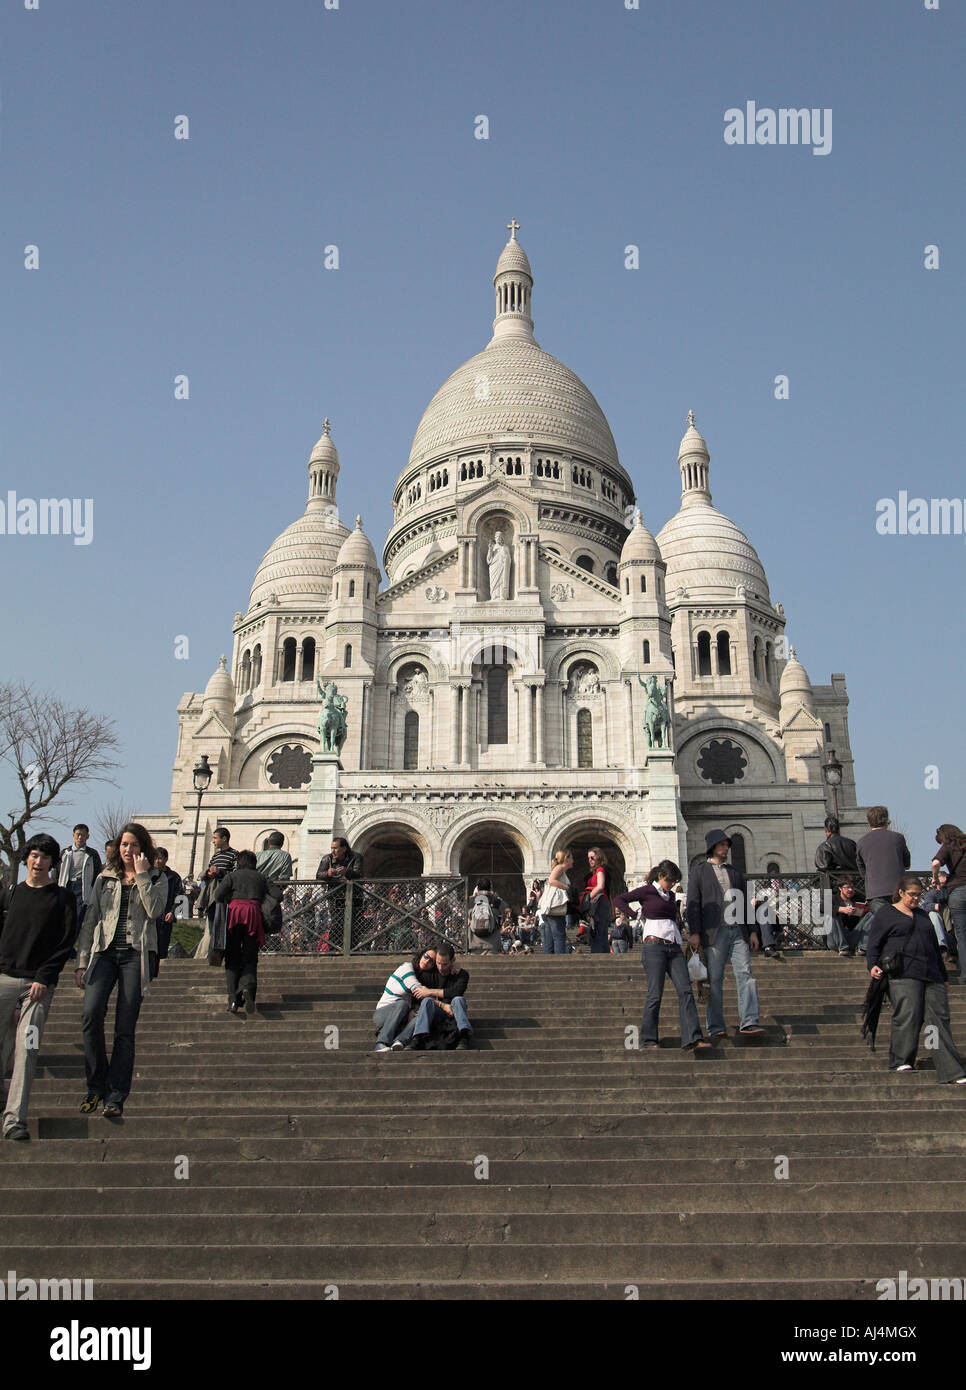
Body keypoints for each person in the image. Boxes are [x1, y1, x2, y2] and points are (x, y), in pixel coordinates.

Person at [76, 822, 167, 1119]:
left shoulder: (156, 877)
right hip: (103, 953)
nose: (129, 850)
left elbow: (154, 911)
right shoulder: (104, 877)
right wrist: (81, 960)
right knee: (90, 1015)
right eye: (124, 845)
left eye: (134, 845)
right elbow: (91, 919)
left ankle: (116, 1095)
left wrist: (141, 875)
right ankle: (95, 1085)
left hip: (135, 955)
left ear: (144, 848)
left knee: (124, 1030)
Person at [0, 833, 77, 1141]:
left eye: (44, 857)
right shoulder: (12, 893)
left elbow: (64, 942)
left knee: (27, 1050)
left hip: (38, 985)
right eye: (33, 855)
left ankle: (14, 1120)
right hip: (4, 978)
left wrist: (44, 977)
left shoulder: (62, 898)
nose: (37, 861)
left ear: (52, 863)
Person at [868, 873, 966, 1083]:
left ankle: (948, 1068)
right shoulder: (886, 914)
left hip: (931, 974)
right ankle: (901, 1059)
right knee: (908, 1015)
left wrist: (944, 975)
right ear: (900, 893)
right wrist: (873, 965)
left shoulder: (923, 916)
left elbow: (933, 947)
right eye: (911, 895)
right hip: (903, 973)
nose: (915, 899)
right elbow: (874, 943)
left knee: (937, 1021)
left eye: (918, 895)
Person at [686, 830, 763, 1038]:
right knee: (715, 978)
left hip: (738, 930)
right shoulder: (699, 871)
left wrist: (753, 931)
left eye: (727, 844)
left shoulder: (736, 872)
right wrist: (695, 932)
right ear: (712, 847)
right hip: (714, 932)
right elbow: (693, 904)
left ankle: (749, 1021)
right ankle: (715, 1026)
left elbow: (745, 903)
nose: (726, 848)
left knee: (745, 974)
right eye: (722, 845)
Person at [213, 850, 274, 1015]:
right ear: (254, 863)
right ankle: (247, 988)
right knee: (250, 957)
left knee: (232, 957)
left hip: (234, 915)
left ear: (239, 862)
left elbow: (217, 894)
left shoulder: (232, 876)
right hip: (253, 915)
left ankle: (233, 1000)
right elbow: (278, 895)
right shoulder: (261, 877)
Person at [398, 943, 472, 1050]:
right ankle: (418, 1038)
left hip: (454, 1011)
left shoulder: (461, 974)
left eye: (445, 964)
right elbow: (419, 993)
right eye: (438, 963)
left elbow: (456, 992)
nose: (441, 967)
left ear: (452, 961)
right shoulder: (429, 974)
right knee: (427, 1001)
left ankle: (464, 1035)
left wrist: (429, 991)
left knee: (458, 1000)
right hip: (437, 1012)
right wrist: (441, 1004)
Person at [856, 807, 911, 950]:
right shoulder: (898, 838)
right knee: (900, 922)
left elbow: (862, 870)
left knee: (883, 921)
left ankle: (868, 947)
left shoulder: (861, 842)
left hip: (875, 891)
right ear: (886, 819)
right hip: (898, 889)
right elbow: (907, 863)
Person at [372, 949, 438, 1052]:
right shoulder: (406, 967)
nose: (427, 961)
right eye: (426, 956)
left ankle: (400, 1041)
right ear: (421, 955)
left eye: (431, 961)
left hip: (402, 1016)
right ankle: (381, 1043)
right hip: (382, 1013)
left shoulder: (423, 978)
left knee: (421, 1015)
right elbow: (416, 988)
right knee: (402, 1004)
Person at [931, 825, 966, 982]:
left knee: (962, 935)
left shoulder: (948, 847)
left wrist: (935, 877)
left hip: (958, 891)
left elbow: (935, 863)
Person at [56, 824, 102, 937]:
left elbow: (97, 873)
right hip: (67, 885)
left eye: (83, 835)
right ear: (73, 836)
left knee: (78, 915)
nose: (80, 837)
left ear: (88, 836)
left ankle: (72, 941)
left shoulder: (92, 854)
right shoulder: (65, 853)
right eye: (78, 835)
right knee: (64, 914)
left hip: (82, 887)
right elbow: (57, 871)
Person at [152, 847, 184, 976]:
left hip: (166, 916)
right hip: (151, 916)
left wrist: (173, 912)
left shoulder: (174, 877)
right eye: (155, 858)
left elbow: (179, 896)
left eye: (160, 858)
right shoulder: (148, 875)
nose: (157, 861)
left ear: (165, 859)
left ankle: (158, 972)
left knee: (162, 944)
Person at [256, 831, 293, 934]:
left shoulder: (257, 855)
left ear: (268, 843)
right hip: (273, 895)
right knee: (271, 922)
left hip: (256, 892)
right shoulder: (285, 856)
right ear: (282, 844)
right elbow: (285, 879)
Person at [537, 850, 572, 956]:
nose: (573, 860)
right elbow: (552, 881)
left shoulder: (559, 869)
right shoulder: (560, 868)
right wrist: (567, 888)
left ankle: (549, 959)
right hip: (555, 908)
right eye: (571, 858)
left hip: (550, 910)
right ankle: (559, 960)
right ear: (566, 858)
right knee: (559, 935)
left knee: (549, 937)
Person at [580, 847, 612, 956]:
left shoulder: (600, 870)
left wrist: (587, 898)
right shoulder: (597, 871)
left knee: (597, 932)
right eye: (588, 858)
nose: (590, 860)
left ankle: (597, 956)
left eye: (592, 857)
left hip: (600, 904)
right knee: (601, 934)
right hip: (601, 904)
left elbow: (600, 886)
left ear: (599, 857)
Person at [828, 877, 869, 956]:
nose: (850, 890)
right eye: (847, 887)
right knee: (831, 914)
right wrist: (840, 909)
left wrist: (865, 910)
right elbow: (822, 907)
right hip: (835, 940)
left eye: (852, 887)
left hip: (851, 936)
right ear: (840, 888)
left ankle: (863, 947)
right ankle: (843, 948)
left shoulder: (858, 899)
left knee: (871, 915)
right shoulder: (833, 898)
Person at [467, 877, 506, 955]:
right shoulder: (497, 901)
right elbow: (503, 916)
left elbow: (467, 920)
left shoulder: (470, 901)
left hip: (474, 944)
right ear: (490, 887)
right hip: (493, 944)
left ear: (477, 888)